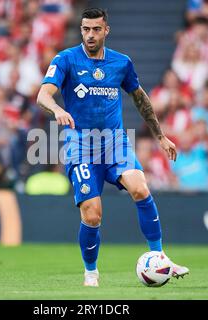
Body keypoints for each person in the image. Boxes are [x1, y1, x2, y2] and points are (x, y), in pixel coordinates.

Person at [36, 8, 189, 287]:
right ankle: (91, 273)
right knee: (93, 214)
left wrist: (160, 137)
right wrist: (57, 109)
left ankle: (160, 257)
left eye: (96, 29)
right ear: (81, 30)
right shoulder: (66, 59)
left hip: (115, 143)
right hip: (80, 145)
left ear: (106, 30)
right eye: (85, 29)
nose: (90, 35)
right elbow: (43, 94)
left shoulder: (122, 63)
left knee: (141, 188)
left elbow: (140, 99)